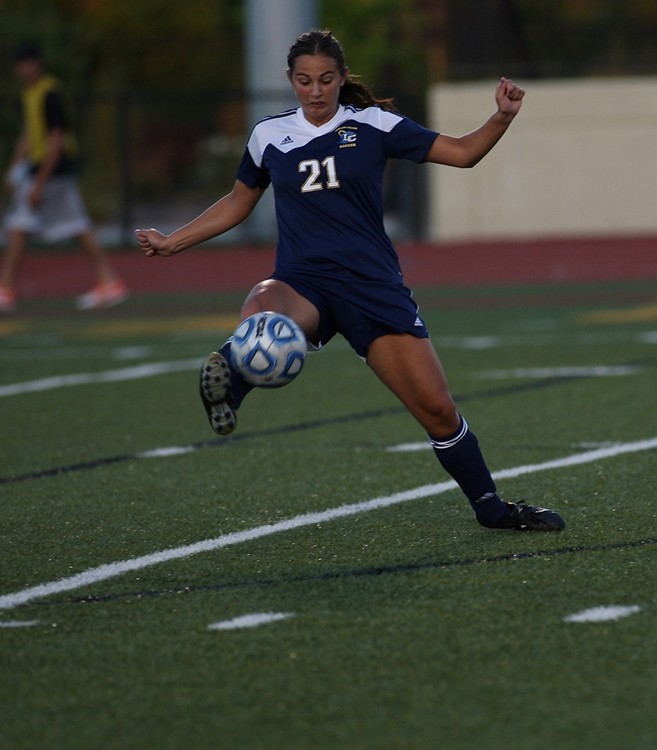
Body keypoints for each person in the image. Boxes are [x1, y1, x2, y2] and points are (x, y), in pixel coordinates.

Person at [134, 29, 564, 533]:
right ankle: (230, 386)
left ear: (341, 79)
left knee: (438, 411)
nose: (315, 91)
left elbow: (463, 153)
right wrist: (171, 243)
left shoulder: (375, 124)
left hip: (371, 287)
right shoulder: (268, 135)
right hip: (305, 280)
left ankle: (491, 508)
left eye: (325, 80)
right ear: (290, 81)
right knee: (265, 306)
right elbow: (236, 204)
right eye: (304, 81)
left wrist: (501, 117)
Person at [1, 41, 128, 312]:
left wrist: (39, 183)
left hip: (53, 173)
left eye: (26, 63)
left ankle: (6, 289)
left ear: (37, 63)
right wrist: (15, 166)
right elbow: (29, 131)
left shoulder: (50, 93)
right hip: (40, 171)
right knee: (34, 226)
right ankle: (109, 281)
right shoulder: (31, 92)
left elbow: (57, 140)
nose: (22, 69)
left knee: (30, 227)